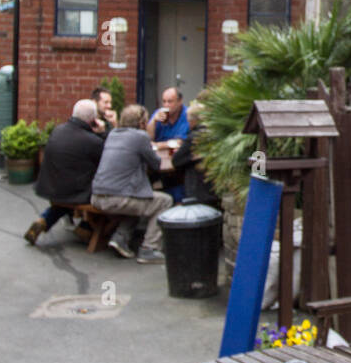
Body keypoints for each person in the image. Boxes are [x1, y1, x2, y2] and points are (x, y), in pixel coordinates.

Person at [90, 104, 173, 264]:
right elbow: (156, 164)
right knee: (164, 201)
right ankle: (149, 248)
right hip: (116, 198)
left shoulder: (113, 134)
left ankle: (120, 237)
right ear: (141, 123)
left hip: (97, 195)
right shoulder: (140, 137)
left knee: (141, 196)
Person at [24, 99, 106, 245]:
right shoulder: (93, 141)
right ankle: (85, 227)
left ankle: (43, 220)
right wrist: (102, 134)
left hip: (50, 188)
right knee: (105, 193)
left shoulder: (57, 130)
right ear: (93, 120)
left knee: (64, 200)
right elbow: (106, 162)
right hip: (75, 193)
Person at [170, 100, 219, 205]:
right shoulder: (214, 134)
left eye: (188, 121)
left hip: (198, 190)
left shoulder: (194, 137)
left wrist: (189, 157)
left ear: (193, 121)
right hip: (214, 188)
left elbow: (176, 161)